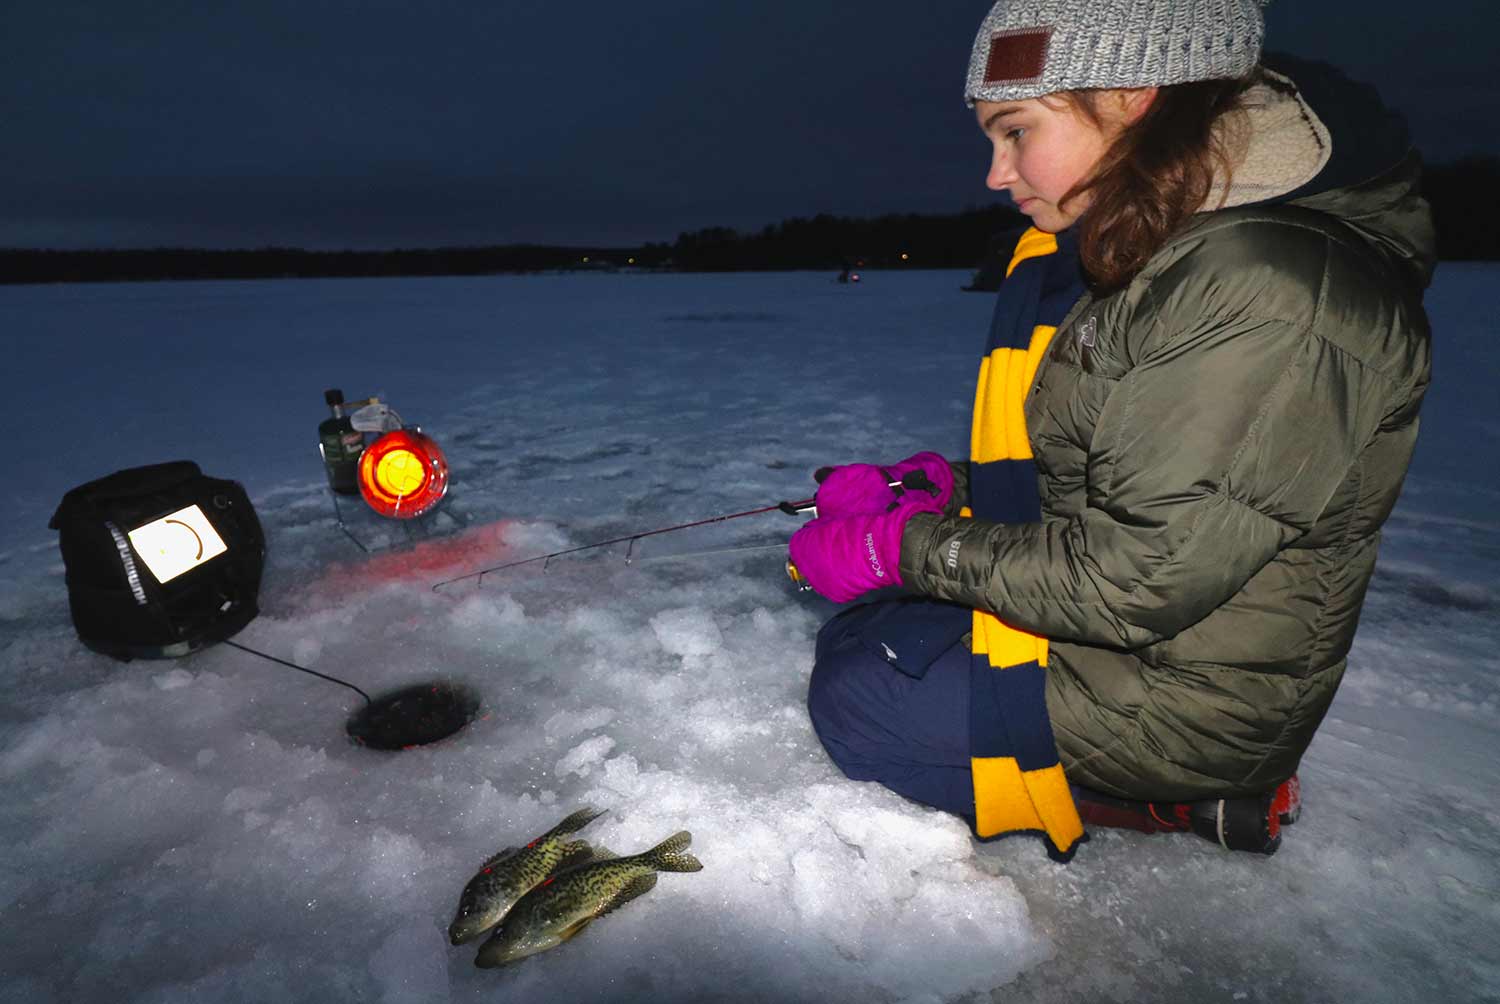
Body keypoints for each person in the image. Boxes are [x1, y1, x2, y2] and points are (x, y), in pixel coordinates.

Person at [788, 0, 1432, 858]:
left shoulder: (1265, 290)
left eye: (1014, 131)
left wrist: (898, 547)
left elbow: (1139, 577)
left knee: (866, 698)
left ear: (1130, 94)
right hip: (1132, 636)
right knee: (869, 631)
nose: (995, 172)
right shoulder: (1166, 249)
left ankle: (1188, 804)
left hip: (1191, 692)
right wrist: (941, 487)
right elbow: (1107, 472)